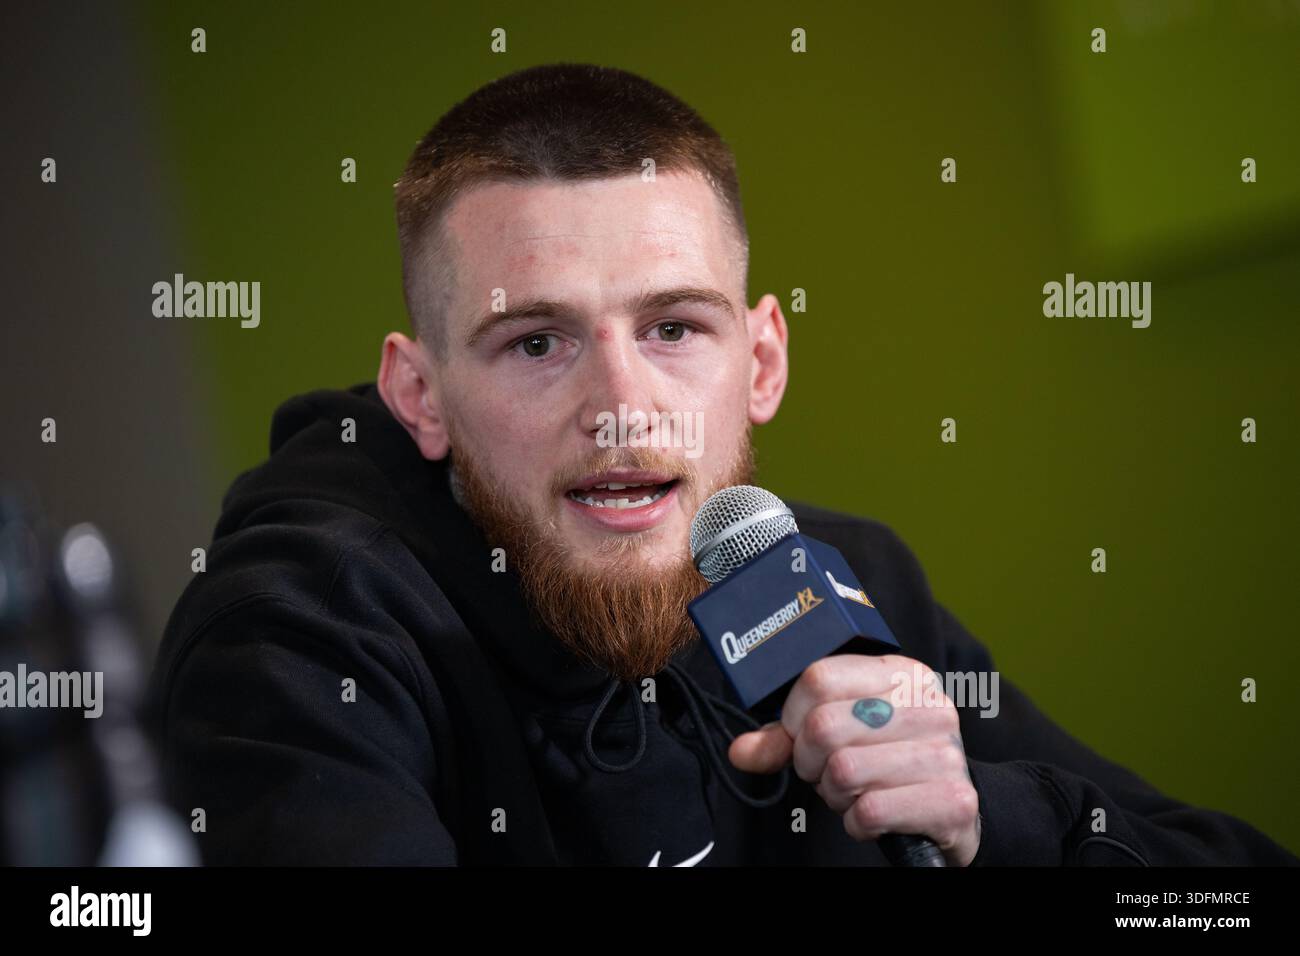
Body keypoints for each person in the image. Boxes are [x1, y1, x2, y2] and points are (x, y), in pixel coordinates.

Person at [147, 63, 1297, 866]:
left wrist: (988, 819)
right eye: (537, 341)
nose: (620, 407)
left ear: (760, 360)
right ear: (419, 396)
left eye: (673, 328)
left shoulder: (835, 583)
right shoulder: (301, 634)